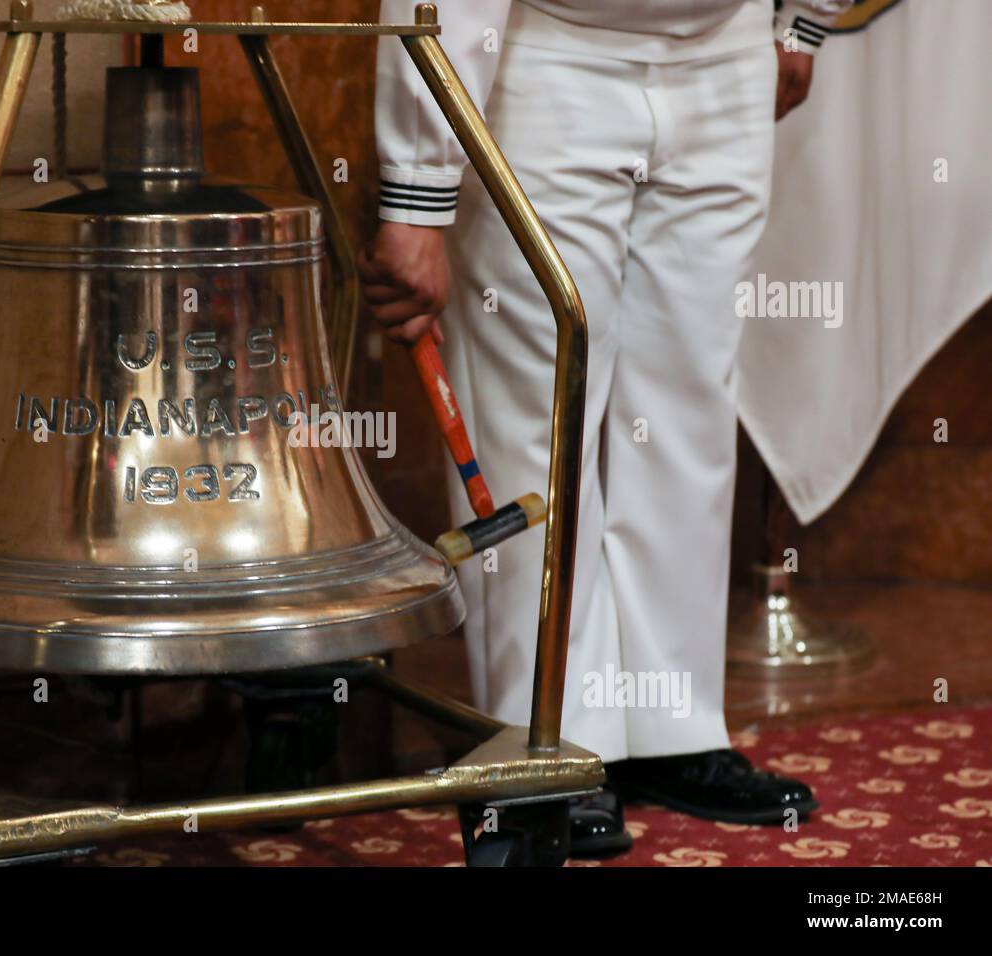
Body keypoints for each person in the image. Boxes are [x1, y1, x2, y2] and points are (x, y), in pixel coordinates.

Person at [363, 0, 850, 857]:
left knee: (688, 399)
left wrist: (804, 18)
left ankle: (672, 727)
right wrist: (419, 186)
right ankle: (543, 744)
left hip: (728, 48)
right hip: (546, 50)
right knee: (539, 404)